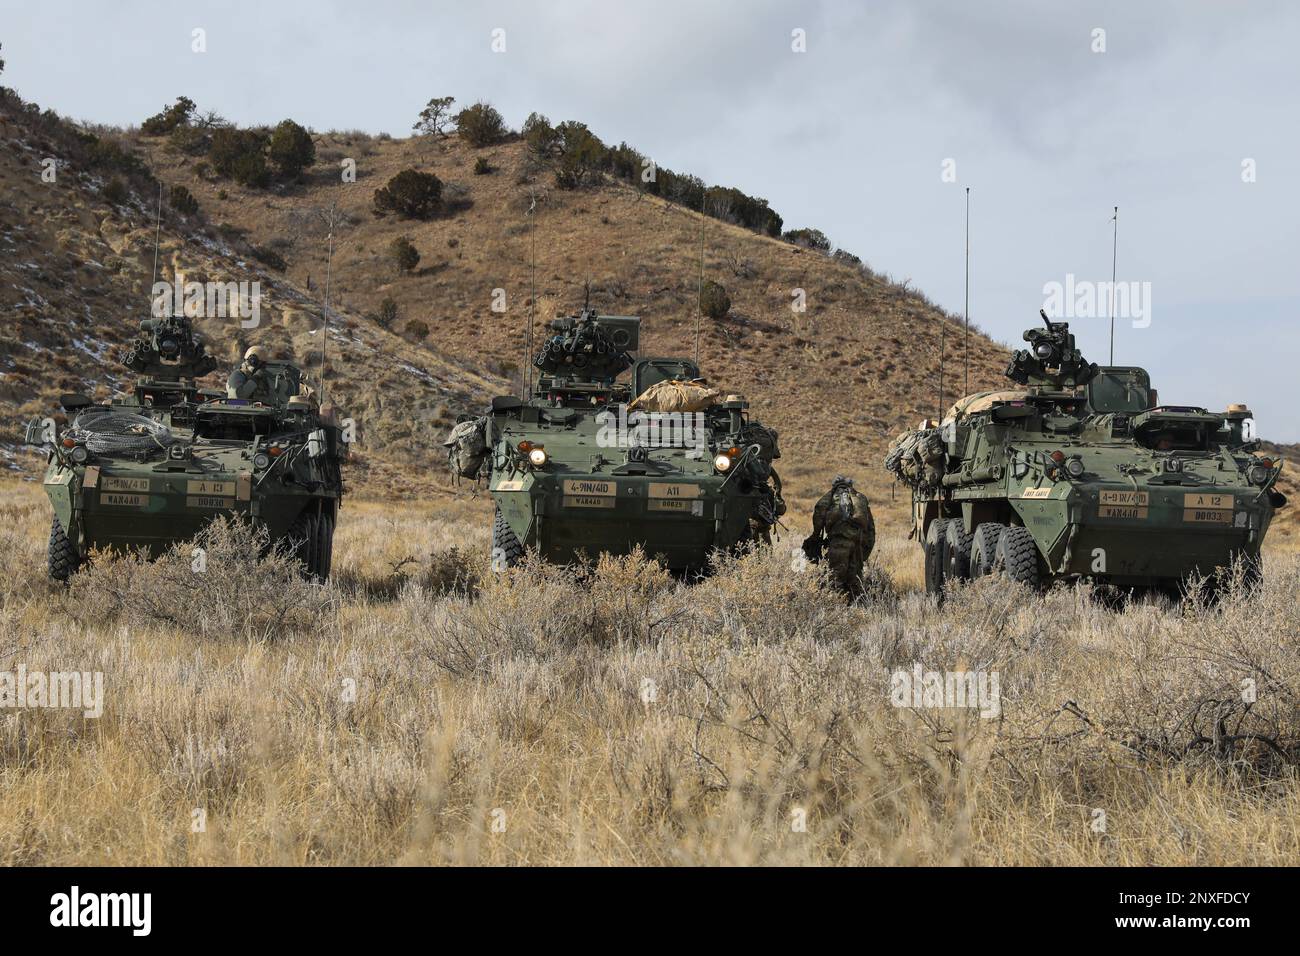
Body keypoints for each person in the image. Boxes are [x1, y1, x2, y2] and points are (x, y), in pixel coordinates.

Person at [802, 475, 876, 598]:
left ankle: (836, 608)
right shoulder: (860, 498)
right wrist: (865, 550)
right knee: (855, 579)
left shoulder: (828, 498)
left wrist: (815, 538)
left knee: (835, 579)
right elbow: (870, 529)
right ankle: (857, 608)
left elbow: (818, 519)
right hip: (857, 544)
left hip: (838, 543)